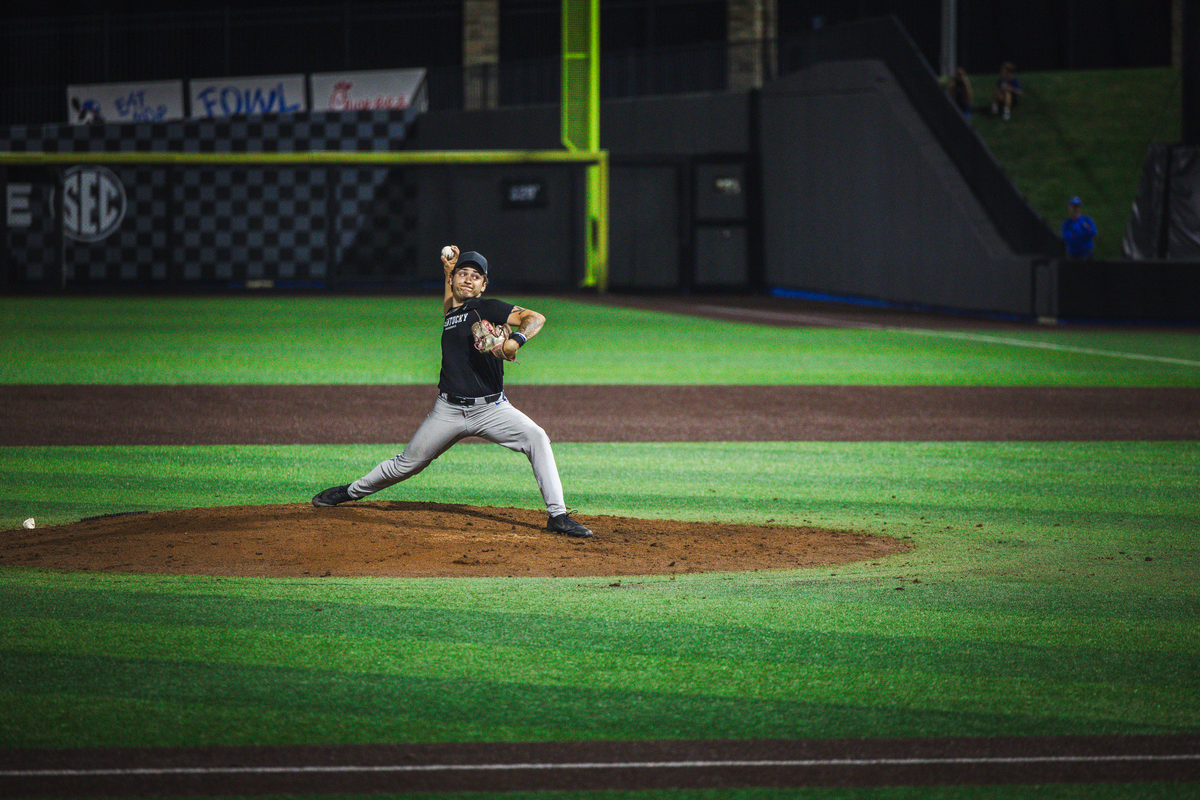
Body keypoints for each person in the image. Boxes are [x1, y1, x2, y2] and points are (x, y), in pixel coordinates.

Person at [311, 246, 594, 538]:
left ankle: (558, 515)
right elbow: (451, 307)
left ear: (484, 285)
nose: (468, 279)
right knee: (405, 465)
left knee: (537, 437)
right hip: (447, 411)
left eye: (476, 276)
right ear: (454, 280)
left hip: (491, 410)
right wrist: (448, 273)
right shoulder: (452, 313)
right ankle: (350, 491)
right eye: (463, 274)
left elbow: (536, 318)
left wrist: (516, 340)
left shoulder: (488, 307)